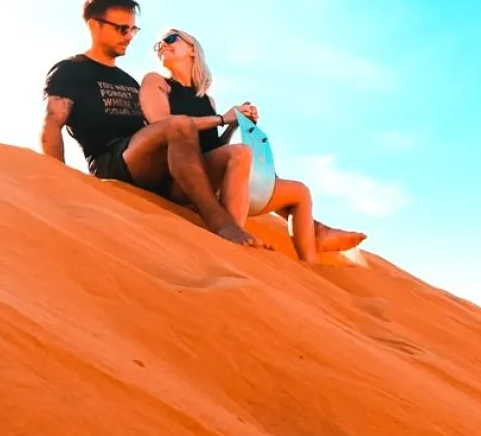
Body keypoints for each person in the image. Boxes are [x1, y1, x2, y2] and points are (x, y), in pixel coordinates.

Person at [41, 0, 259, 248]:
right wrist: (56, 178)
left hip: (156, 167)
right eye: (122, 28)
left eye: (133, 29)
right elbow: (52, 124)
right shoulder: (71, 70)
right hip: (112, 161)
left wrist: (234, 123)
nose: (129, 36)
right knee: (178, 124)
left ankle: (235, 240)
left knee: (236, 152)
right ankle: (219, 222)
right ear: (94, 25)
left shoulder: (128, 81)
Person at [140, 27, 366, 263]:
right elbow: (161, 125)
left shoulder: (207, 100)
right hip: (178, 179)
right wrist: (222, 119)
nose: (162, 45)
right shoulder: (157, 82)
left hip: (212, 178)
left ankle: (313, 270)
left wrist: (235, 124)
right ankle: (234, 238)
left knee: (300, 192)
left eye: (170, 39)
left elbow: (215, 148)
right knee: (239, 153)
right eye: (158, 45)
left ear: (192, 49)